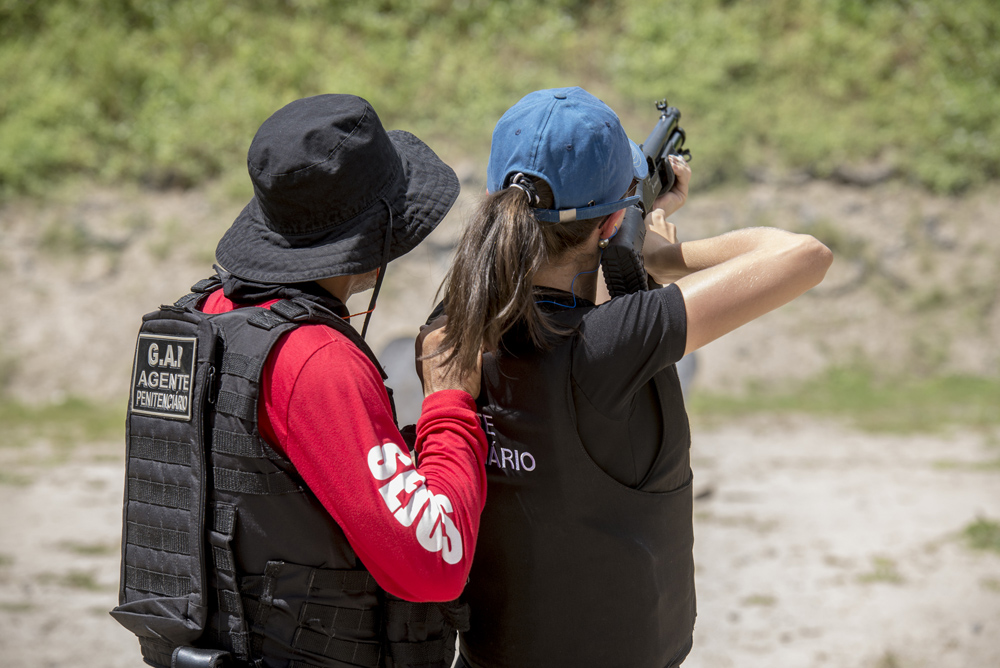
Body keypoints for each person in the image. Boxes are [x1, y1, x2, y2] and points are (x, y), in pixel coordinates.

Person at [433, 87, 833, 668]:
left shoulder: (451, 327)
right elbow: (805, 254)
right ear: (614, 220)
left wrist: (621, 234)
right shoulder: (608, 343)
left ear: (496, 198)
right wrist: (665, 256)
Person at [112, 94, 488, 668]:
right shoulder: (316, 361)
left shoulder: (203, 317)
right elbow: (432, 565)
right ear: (369, 239)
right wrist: (449, 403)